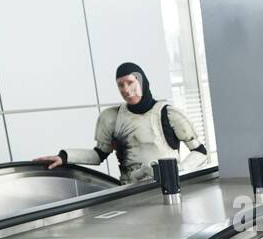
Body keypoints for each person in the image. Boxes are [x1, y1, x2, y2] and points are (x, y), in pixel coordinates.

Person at [35, 62, 207, 184]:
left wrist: (178, 171)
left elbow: (200, 151)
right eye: (120, 85)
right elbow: (99, 155)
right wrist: (64, 157)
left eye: (130, 82)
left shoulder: (169, 114)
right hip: (129, 192)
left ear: (141, 81)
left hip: (166, 189)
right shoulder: (111, 117)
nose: (125, 89)